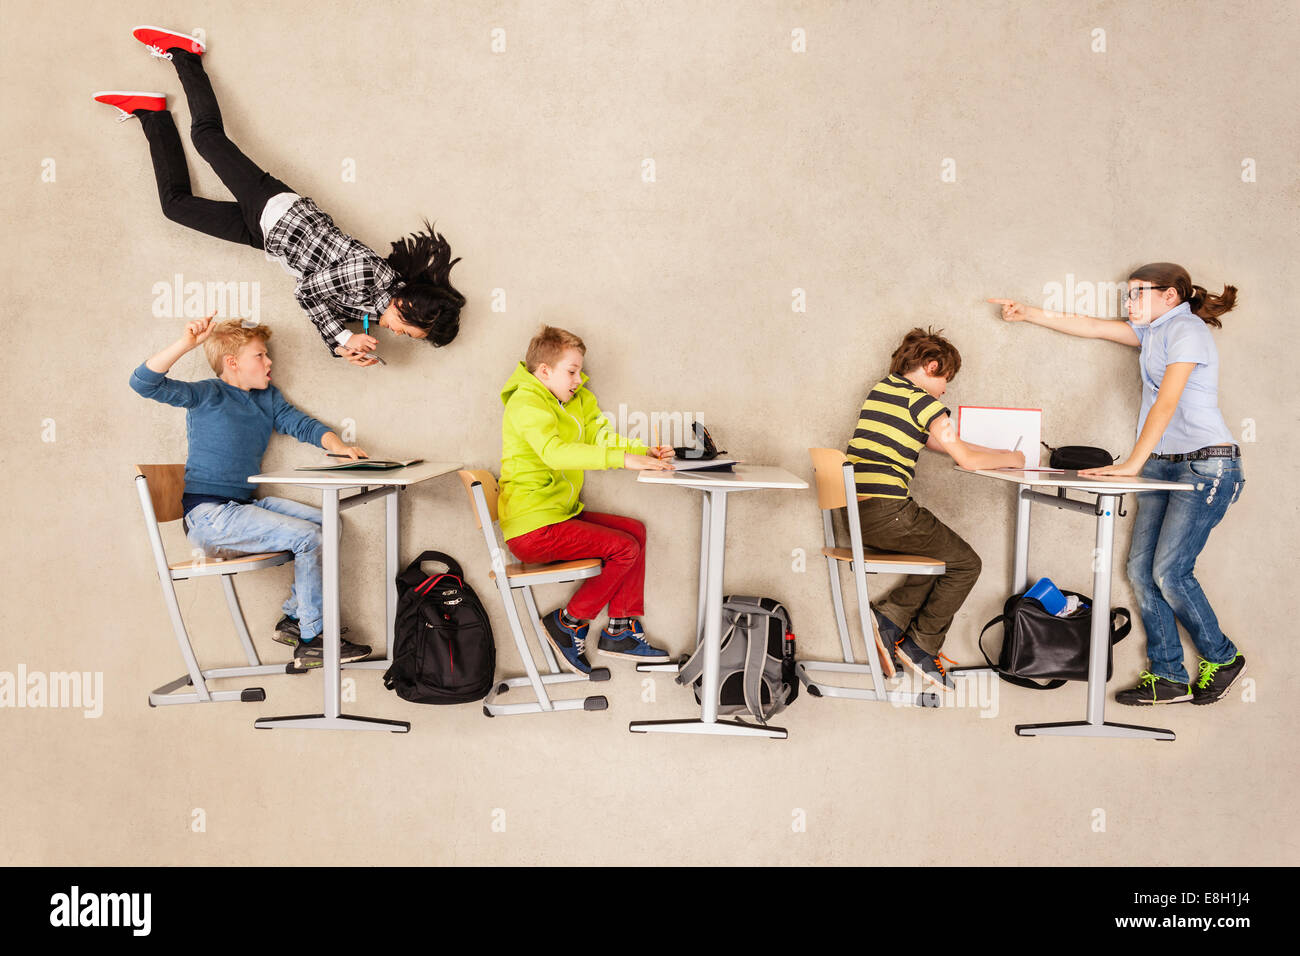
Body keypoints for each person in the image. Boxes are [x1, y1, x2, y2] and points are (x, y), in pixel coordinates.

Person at [95, 26, 464, 366]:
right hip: (279, 214)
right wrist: (343, 335)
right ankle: (185, 54)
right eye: (407, 329)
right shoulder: (371, 275)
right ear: (410, 306)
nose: (399, 334)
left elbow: (321, 304)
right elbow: (307, 291)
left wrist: (342, 346)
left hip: (271, 240)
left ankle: (152, 114)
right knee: (207, 137)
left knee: (175, 206)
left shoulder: (373, 305)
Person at [990, 263, 1245, 706]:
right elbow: (1090, 327)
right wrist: (1027, 312)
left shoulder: (1186, 329)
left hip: (1208, 467)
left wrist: (1131, 464)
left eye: (1137, 294)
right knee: (1140, 572)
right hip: (1163, 465)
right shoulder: (1152, 333)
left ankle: (1222, 657)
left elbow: (1167, 402)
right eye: (1127, 295)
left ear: (1171, 296)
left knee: (1169, 571)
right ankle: (1168, 674)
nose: (1128, 303)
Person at [129, 314, 372, 668]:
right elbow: (143, 383)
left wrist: (338, 447)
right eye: (260, 355)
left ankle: (294, 620)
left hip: (242, 507)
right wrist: (187, 343)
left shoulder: (266, 399)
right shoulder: (206, 394)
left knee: (329, 525)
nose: (269, 361)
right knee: (308, 536)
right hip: (209, 518)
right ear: (232, 363)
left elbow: (302, 424)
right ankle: (313, 639)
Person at [847, 327, 1024, 690]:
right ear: (931, 366)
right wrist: (1015, 457)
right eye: (946, 380)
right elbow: (964, 458)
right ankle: (921, 645)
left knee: (937, 555)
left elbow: (947, 444)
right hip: (889, 513)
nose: (945, 390)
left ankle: (890, 619)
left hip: (859, 514)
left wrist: (1001, 455)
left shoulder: (883, 390)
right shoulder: (924, 402)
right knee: (966, 563)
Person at [497, 326, 676, 673]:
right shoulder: (526, 402)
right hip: (533, 528)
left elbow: (600, 436)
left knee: (634, 532)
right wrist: (623, 460)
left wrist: (643, 451)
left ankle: (620, 629)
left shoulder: (576, 400)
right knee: (624, 548)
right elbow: (554, 453)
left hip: (558, 517)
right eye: (572, 371)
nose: (579, 378)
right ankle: (570, 621)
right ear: (544, 371)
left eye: (579, 370)